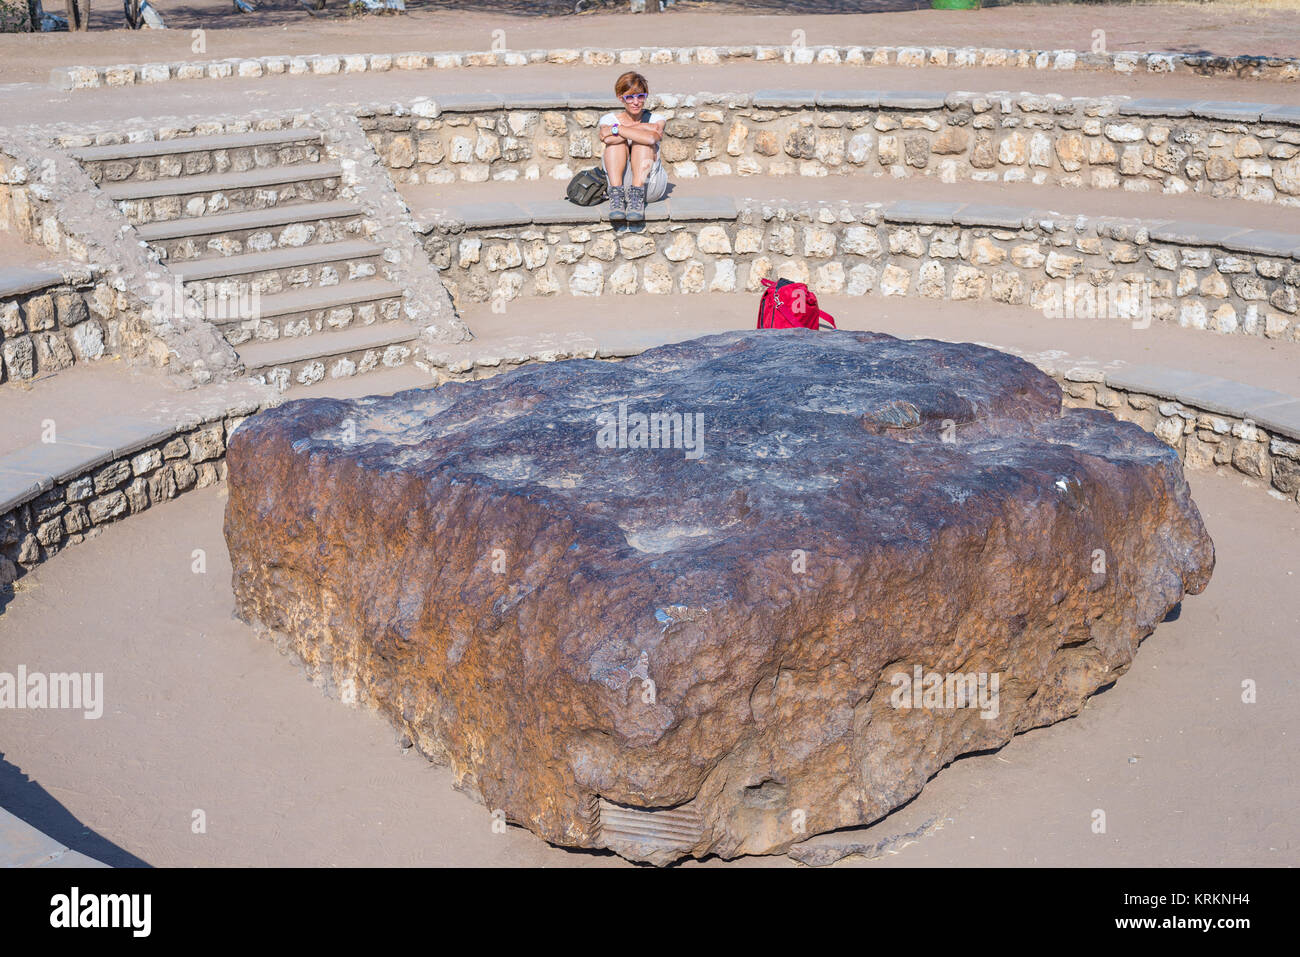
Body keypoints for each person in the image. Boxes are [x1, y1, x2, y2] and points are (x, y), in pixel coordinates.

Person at [598, 72, 669, 224]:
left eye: (640, 96)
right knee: (615, 145)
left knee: (643, 144)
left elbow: (651, 138)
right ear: (620, 97)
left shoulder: (656, 119)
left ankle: (636, 196)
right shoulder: (608, 119)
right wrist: (642, 128)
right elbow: (607, 138)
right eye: (629, 97)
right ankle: (615, 196)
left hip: (649, 185)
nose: (636, 102)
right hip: (621, 189)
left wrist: (618, 129)